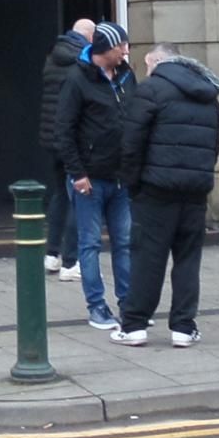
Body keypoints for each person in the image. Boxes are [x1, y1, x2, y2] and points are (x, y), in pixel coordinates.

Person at [113, 45, 219, 348]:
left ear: (159, 62)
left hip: (155, 189)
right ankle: (184, 328)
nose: (147, 71)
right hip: (195, 189)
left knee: (148, 257)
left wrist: (133, 184)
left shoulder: (151, 91)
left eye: (148, 65)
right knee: (188, 258)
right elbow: (214, 145)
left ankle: (134, 325)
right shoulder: (208, 93)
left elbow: (131, 143)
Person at [53, 22, 134, 330]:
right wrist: (77, 173)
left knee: (124, 242)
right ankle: (97, 307)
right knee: (89, 244)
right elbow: (65, 130)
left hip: (121, 176)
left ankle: (129, 305)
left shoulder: (126, 75)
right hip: (90, 178)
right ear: (104, 49)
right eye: (121, 46)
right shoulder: (76, 79)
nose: (126, 51)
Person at [34, 17, 93, 280]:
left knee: (60, 194)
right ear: (89, 37)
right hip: (73, 139)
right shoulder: (81, 61)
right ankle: (71, 261)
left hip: (52, 138)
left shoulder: (53, 57)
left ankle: (52, 255)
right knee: (77, 197)